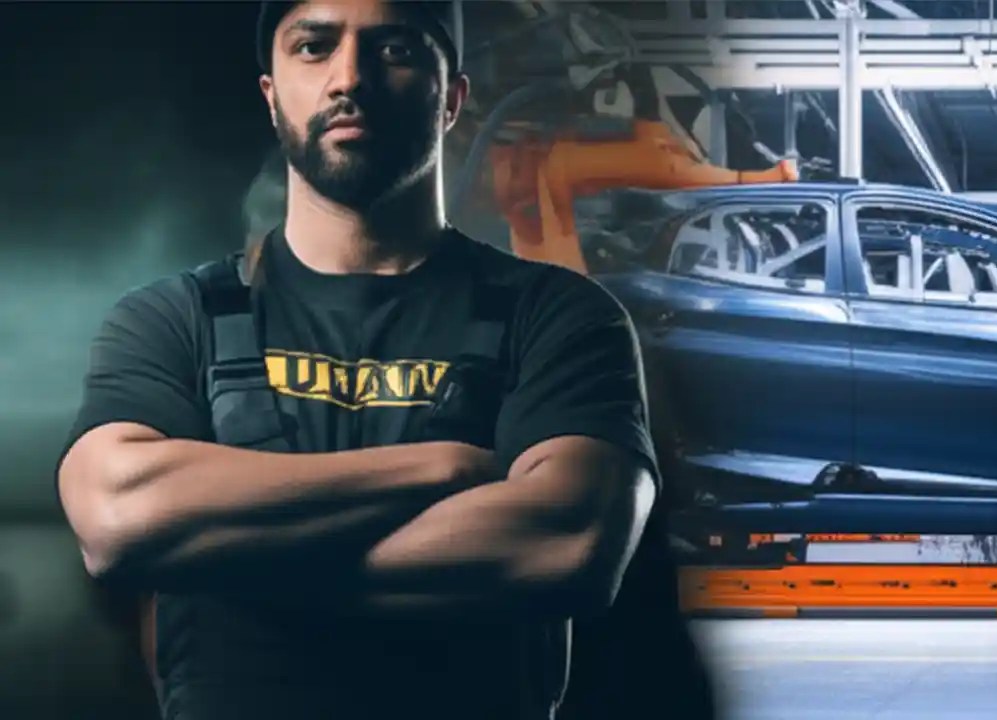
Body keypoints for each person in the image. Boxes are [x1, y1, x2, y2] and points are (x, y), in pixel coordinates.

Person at [55, 2, 664, 718]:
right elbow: (119, 516)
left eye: (395, 49)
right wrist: (444, 468)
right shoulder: (172, 319)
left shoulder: (558, 315)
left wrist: (215, 553)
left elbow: (568, 541)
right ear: (271, 93)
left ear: (453, 98)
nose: (350, 77)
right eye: (314, 47)